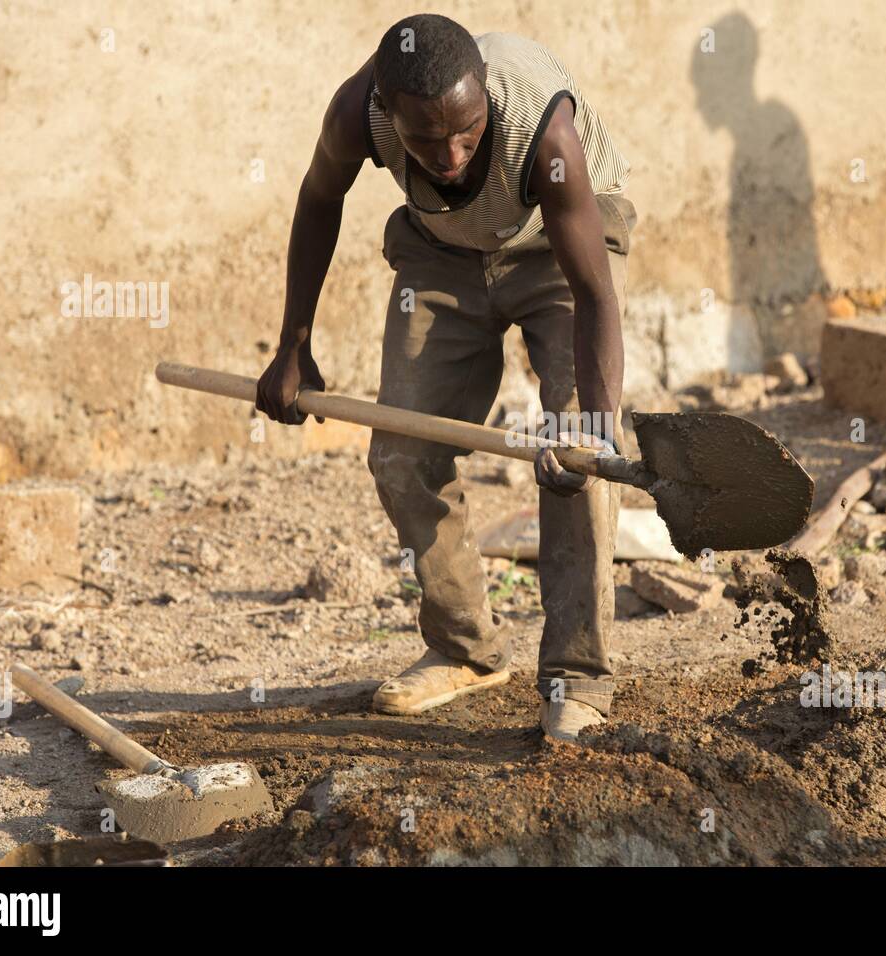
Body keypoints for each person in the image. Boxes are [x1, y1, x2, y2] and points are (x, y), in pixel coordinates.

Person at [255, 14, 635, 741]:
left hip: (561, 249)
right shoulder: (354, 113)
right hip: (443, 253)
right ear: (389, 114)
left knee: (577, 454)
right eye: (427, 140)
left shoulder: (542, 131)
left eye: (467, 131)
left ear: (485, 97)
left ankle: (578, 676)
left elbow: (594, 296)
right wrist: (292, 346)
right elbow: (317, 199)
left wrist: (596, 420)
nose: (453, 153)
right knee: (401, 451)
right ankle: (464, 649)